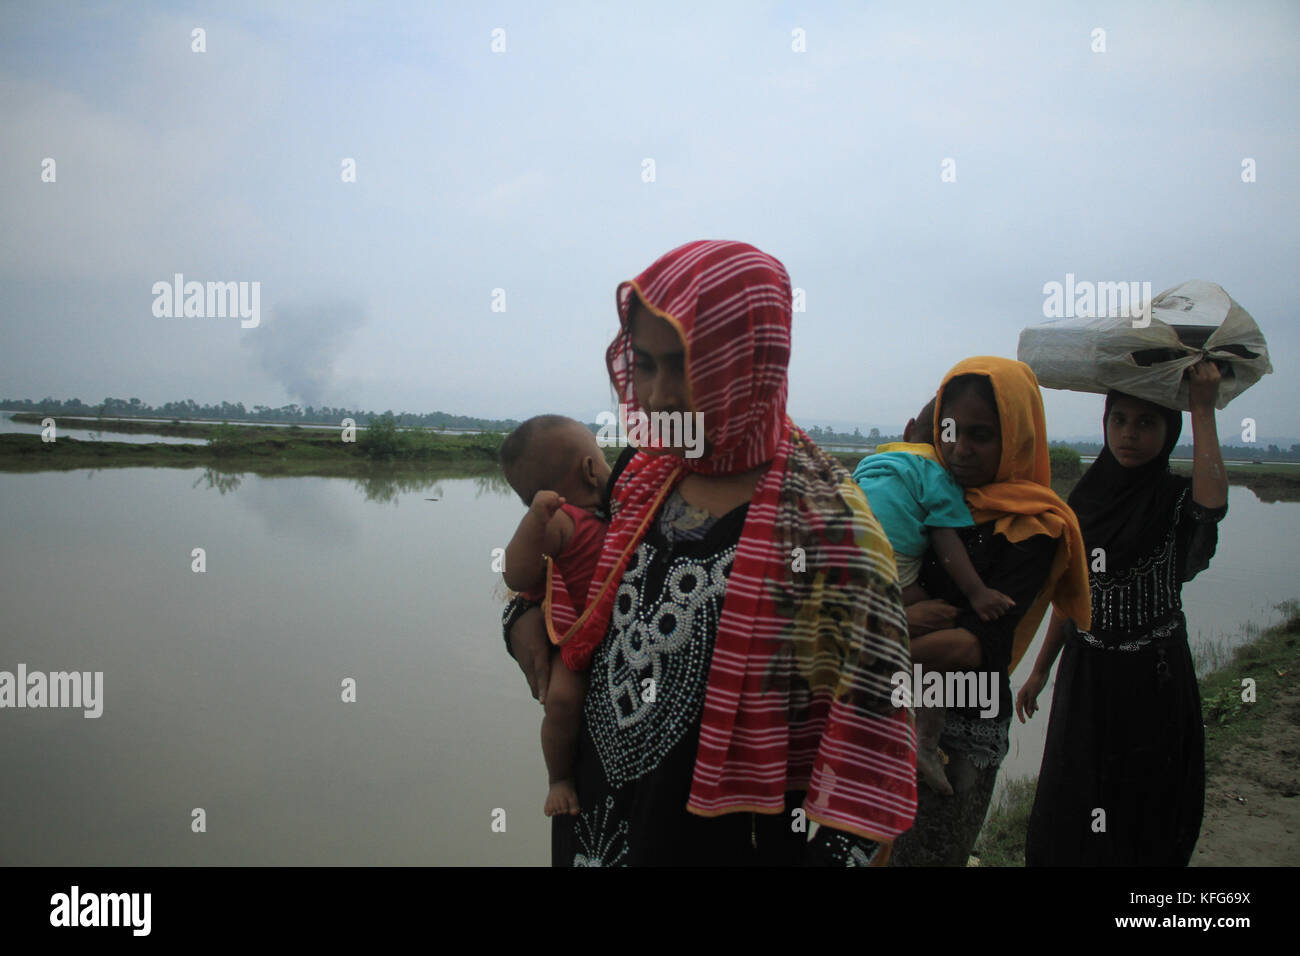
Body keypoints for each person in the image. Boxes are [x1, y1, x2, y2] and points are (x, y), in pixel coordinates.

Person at [501, 239, 917, 866]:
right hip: (598, 820)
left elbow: (866, 758)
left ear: (756, 362)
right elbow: (565, 571)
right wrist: (519, 618)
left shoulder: (830, 531)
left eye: (687, 364)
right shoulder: (642, 475)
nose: (661, 395)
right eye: (645, 364)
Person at [1019, 361, 1227, 866]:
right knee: (1075, 795)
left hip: (1154, 678)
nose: (1129, 434)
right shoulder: (1085, 502)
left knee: (1147, 803)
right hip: (1087, 677)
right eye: (1119, 421)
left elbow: (1211, 506)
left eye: (1145, 423)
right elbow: (1070, 597)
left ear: (1168, 430)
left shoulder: (1175, 500)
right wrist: (1041, 669)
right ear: (1105, 423)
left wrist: (1202, 406)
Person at [888, 357, 1092, 867]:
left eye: (981, 434)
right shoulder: (926, 493)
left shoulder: (1034, 527)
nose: (960, 448)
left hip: (961, 729)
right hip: (886, 712)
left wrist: (865, 647)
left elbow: (977, 647)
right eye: (951, 430)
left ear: (1018, 438)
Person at [853, 396, 1015, 795]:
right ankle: (925, 739)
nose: (960, 452)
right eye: (954, 439)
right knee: (935, 616)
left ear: (908, 430)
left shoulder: (873, 462)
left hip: (849, 557)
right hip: (894, 568)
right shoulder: (935, 473)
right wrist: (976, 594)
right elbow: (944, 535)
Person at [499, 415, 612, 817]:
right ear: (590, 468)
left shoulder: (615, 508)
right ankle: (559, 779)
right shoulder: (563, 520)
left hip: (611, 637)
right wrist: (535, 522)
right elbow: (516, 575)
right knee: (562, 699)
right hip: (577, 635)